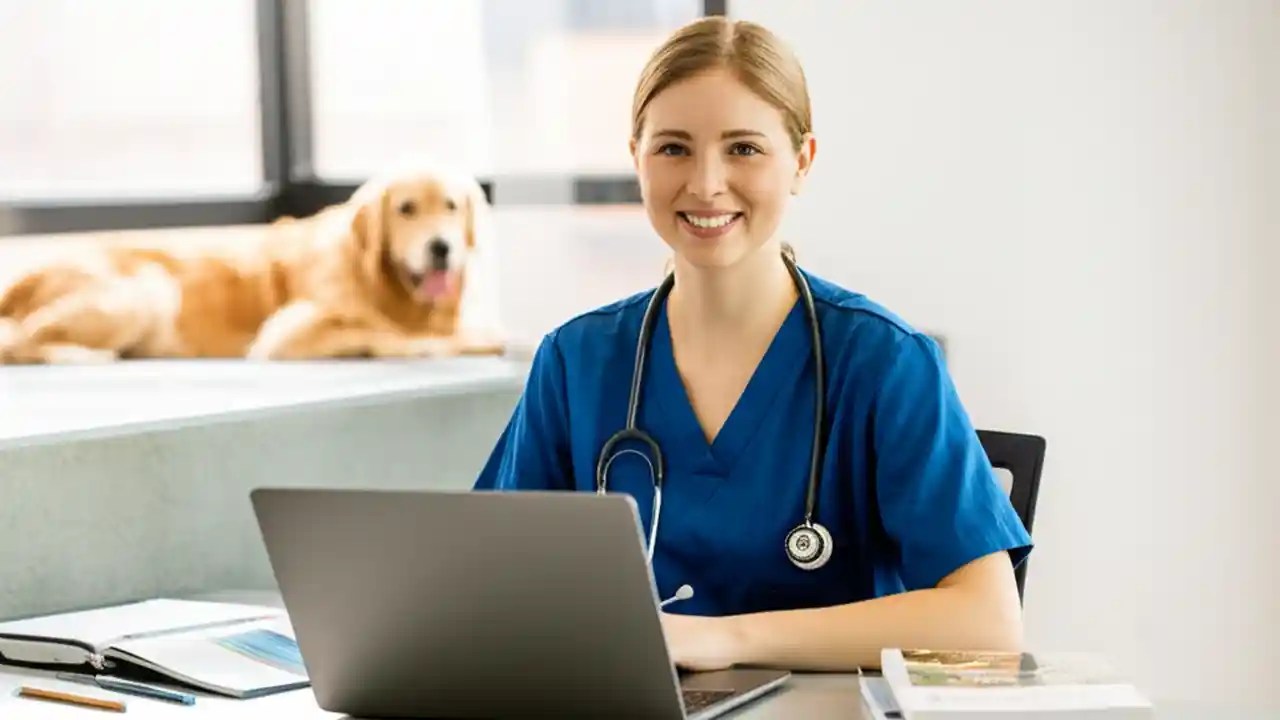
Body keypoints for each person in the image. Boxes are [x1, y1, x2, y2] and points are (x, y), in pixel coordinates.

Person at [473, 16, 1032, 673]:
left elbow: (988, 623)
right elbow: (486, 587)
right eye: (673, 148)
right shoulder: (575, 363)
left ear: (802, 161)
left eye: (743, 148)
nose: (706, 183)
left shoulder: (884, 361)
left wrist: (723, 639)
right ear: (636, 158)